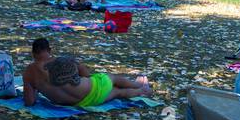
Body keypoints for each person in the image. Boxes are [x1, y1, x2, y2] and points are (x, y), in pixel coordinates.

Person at [22, 39, 151, 108]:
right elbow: (86, 73)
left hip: (79, 104)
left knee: (118, 93)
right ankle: (138, 85)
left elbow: (29, 102)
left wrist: (38, 89)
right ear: (49, 50)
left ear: (33, 54)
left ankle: (142, 91)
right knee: (112, 79)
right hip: (92, 89)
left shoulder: (28, 73)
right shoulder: (62, 60)